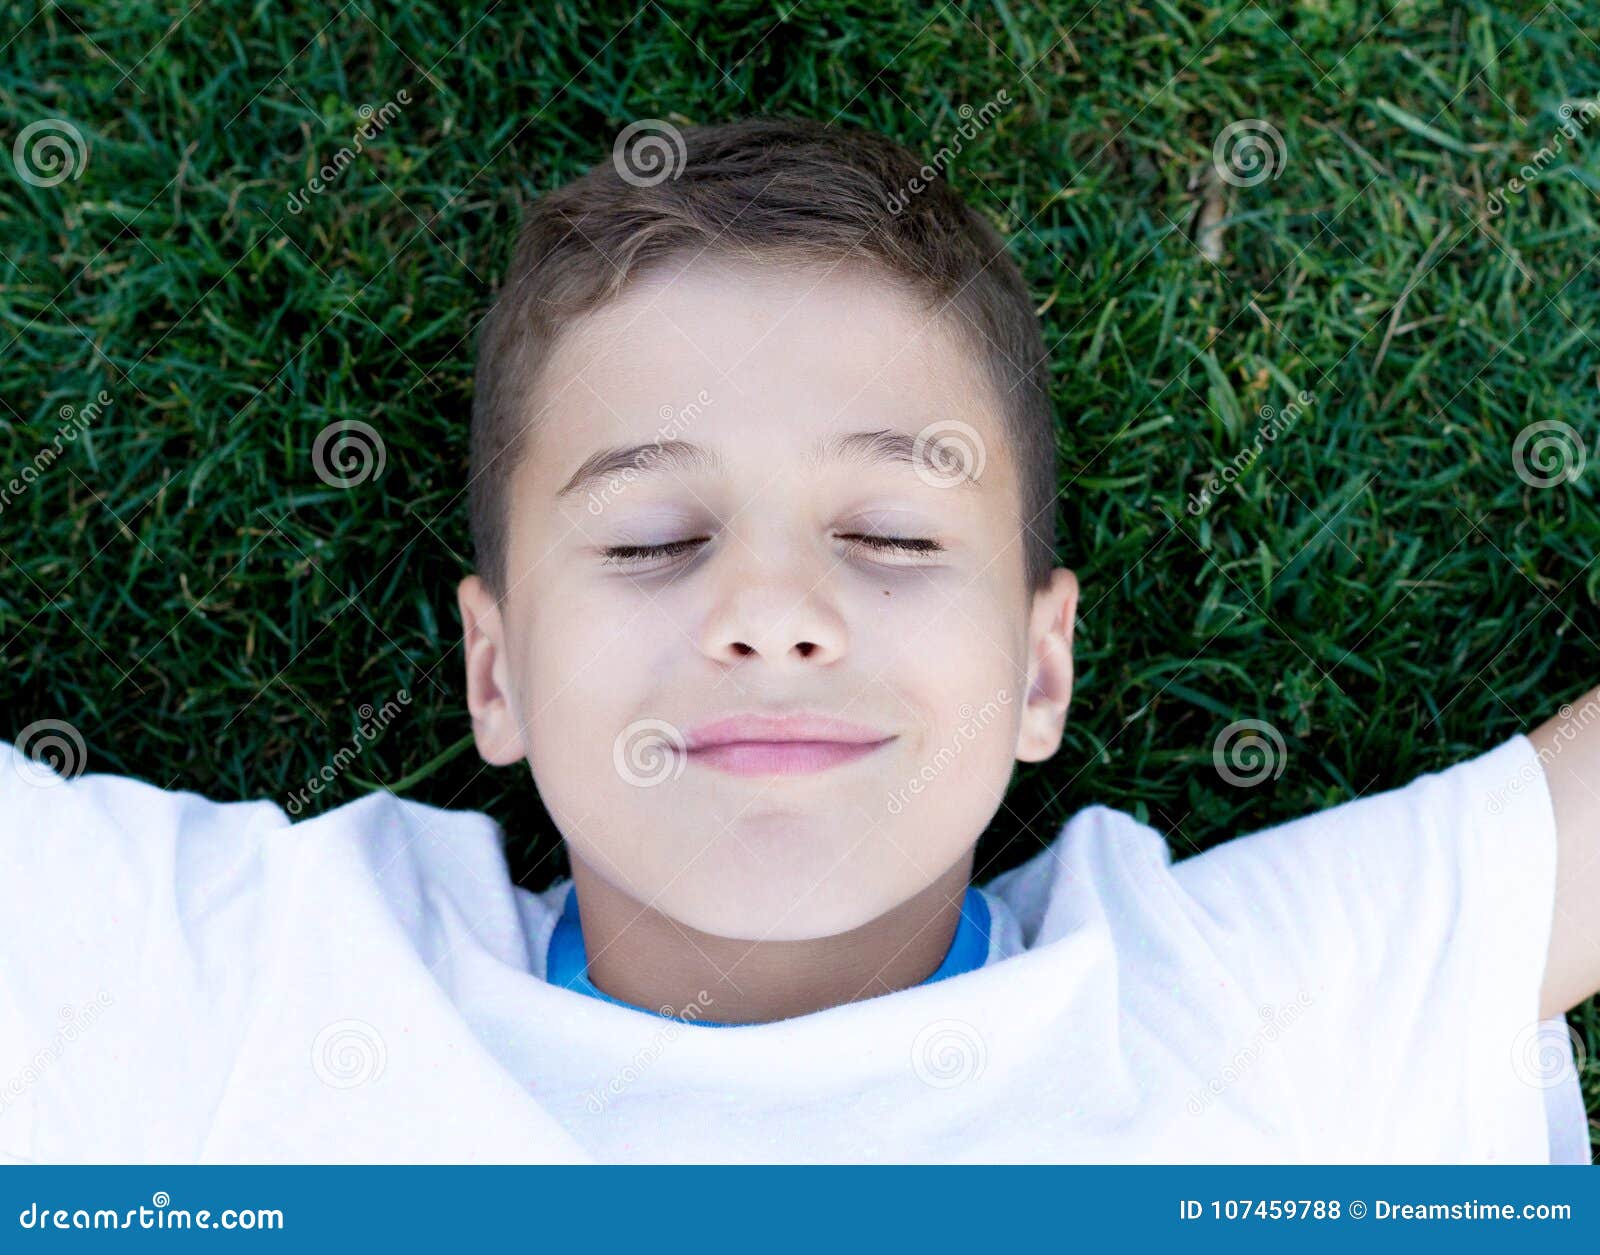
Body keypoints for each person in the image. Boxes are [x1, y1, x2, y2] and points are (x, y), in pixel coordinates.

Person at [2, 116, 1594, 1164]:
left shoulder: (1234, 1015)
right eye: (652, 543)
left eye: (893, 539)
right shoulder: (261, 984)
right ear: (497, 673)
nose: (771, 618)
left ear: (1041, 670)